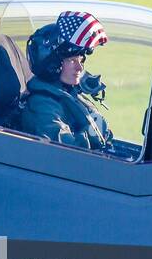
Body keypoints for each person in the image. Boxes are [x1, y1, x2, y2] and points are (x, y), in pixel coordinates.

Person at [19, 11, 115, 153]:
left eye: (80, 59)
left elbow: (104, 131)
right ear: (52, 64)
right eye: (72, 60)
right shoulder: (42, 106)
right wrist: (92, 134)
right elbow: (70, 153)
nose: (80, 67)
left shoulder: (70, 94)